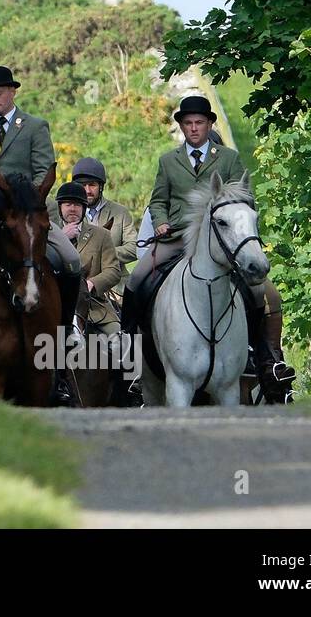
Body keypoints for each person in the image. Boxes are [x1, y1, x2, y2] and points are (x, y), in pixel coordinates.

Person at [120, 95, 294, 402]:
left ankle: (264, 359)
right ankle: (130, 360)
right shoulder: (168, 161)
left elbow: (243, 200)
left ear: (209, 124)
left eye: (199, 123)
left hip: (220, 241)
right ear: (182, 127)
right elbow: (158, 200)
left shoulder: (227, 159)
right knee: (136, 281)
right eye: (188, 123)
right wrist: (159, 220)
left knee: (261, 292)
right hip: (175, 237)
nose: (194, 128)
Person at [0, 63, 85, 403]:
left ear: (13, 92)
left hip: (26, 210)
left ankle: (65, 331)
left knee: (69, 261)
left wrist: (31, 198)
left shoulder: (36, 127)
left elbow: (44, 168)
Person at [56, 182, 123, 335]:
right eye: (68, 204)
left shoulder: (102, 235)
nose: (73, 208)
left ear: (84, 208)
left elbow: (113, 271)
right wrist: (61, 238)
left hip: (94, 307)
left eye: (77, 205)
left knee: (121, 341)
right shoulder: (49, 235)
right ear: (60, 207)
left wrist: (92, 283)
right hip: (56, 307)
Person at [68, 157, 139, 294]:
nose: (87, 190)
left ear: (101, 186)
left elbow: (134, 247)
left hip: (116, 286)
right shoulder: (68, 214)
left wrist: (105, 254)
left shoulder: (120, 212)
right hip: (78, 286)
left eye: (92, 185)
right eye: (82, 185)